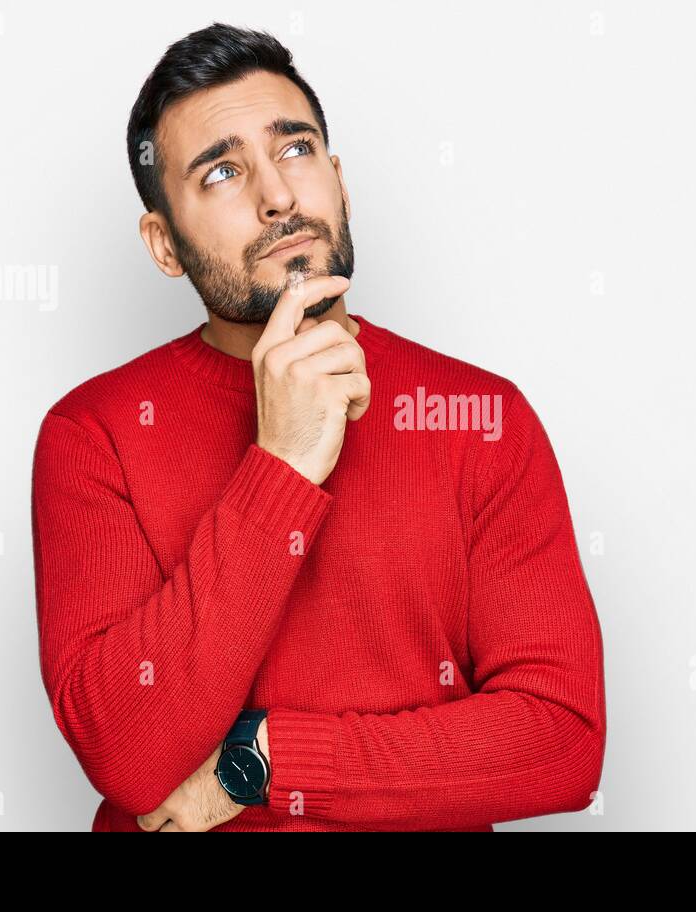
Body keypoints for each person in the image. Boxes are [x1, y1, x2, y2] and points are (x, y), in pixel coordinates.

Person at [30, 22, 606, 831]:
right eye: (223, 171)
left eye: (295, 150)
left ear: (338, 180)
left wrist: (261, 762)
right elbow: (130, 754)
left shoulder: (483, 419)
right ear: (164, 244)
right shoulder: (93, 435)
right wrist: (284, 466)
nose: (278, 196)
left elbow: (560, 742)